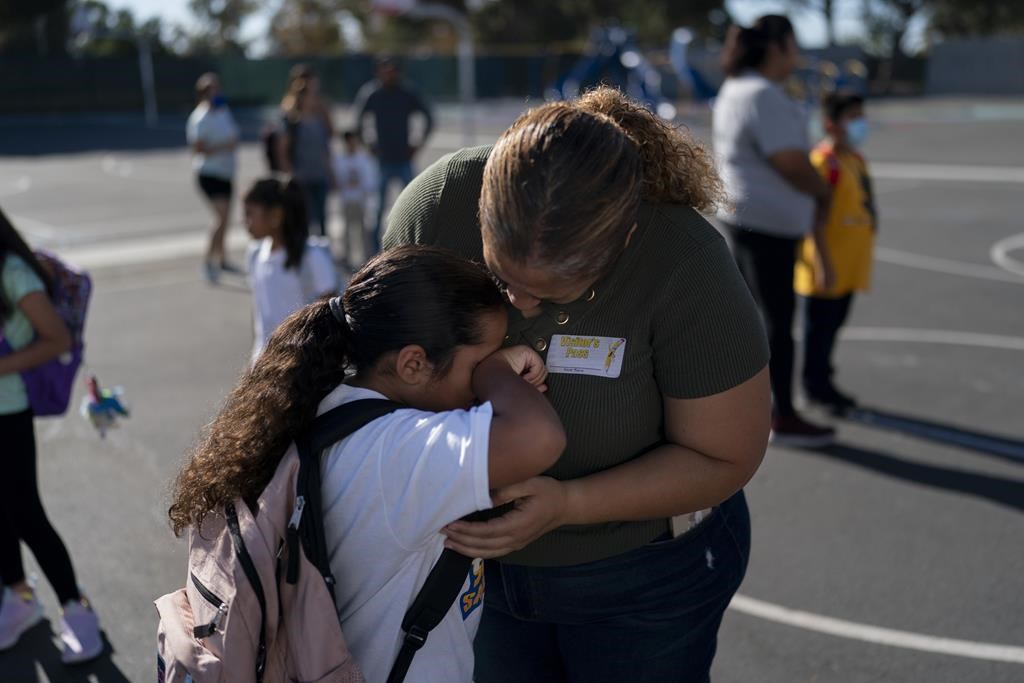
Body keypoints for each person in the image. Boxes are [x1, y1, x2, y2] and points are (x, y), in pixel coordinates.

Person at [385, 87, 771, 682]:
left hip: (641, 585)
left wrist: (569, 505)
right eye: (499, 276)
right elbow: (382, 376)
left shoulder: (686, 262)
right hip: (467, 573)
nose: (518, 304)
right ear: (481, 206)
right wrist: (481, 369)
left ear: (624, 239)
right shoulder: (436, 207)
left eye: (551, 291)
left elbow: (724, 456)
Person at [168, 246, 567, 683]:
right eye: (478, 363)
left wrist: (482, 362)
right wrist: (500, 372)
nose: (483, 379)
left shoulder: (327, 399)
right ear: (413, 364)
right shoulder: (394, 453)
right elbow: (538, 438)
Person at [712, 14, 837, 447]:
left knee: (755, 320)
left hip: (745, 217)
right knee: (777, 323)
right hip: (767, 226)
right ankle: (782, 413)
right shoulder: (762, 94)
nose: (797, 55)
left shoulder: (737, 88)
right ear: (778, 45)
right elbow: (790, 162)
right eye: (794, 45)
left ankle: (757, 407)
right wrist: (822, 191)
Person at [0, 209, 103, 663]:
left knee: (26, 515)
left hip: (6, 412)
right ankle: (19, 599)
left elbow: (57, 339)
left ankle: (77, 611)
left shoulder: (11, 271)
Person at [794, 92, 875, 413]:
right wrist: (824, 263)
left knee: (833, 327)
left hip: (849, 264)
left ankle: (823, 378)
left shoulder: (854, 159)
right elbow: (815, 218)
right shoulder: (823, 162)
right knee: (820, 331)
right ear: (831, 123)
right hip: (827, 265)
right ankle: (816, 386)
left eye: (860, 115)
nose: (859, 123)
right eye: (851, 116)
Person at [244, 177, 338, 361]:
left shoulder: (312, 258)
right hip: (264, 365)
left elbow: (329, 317)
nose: (244, 221)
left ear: (276, 216)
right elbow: (260, 317)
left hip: (303, 366)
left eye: (249, 214)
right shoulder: (255, 255)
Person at [354, 57, 434, 253]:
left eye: (393, 71)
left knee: (413, 204)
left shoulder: (406, 93)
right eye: (385, 71)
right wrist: (369, 146)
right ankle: (373, 252)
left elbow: (429, 118)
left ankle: (413, 246)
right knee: (377, 209)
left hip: (404, 159)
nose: (389, 75)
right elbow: (358, 122)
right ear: (378, 72)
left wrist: (417, 144)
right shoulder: (372, 94)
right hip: (382, 161)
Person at [186, 73, 240, 283]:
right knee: (220, 218)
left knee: (225, 219)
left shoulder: (223, 112)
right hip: (209, 174)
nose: (217, 92)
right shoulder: (199, 118)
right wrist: (223, 146)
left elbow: (234, 137)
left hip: (226, 173)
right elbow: (198, 149)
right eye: (212, 89)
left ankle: (222, 258)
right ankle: (208, 261)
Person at [277, 65, 335, 237]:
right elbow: (283, 149)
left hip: (320, 173)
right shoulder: (290, 114)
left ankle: (322, 256)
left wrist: (330, 172)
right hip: (301, 176)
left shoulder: (320, 109)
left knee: (323, 219)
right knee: (304, 220)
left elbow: (329, 137)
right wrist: (290, 174)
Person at [332, 130, 377, 270]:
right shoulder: (339, 159)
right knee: (346, 230)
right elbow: (337, 179)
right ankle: (347, 256)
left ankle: (367, 257)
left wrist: (363, 189)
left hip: (360, 200)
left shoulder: (363, 158)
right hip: (346, 200)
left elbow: (370, 180)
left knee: (363, 229)